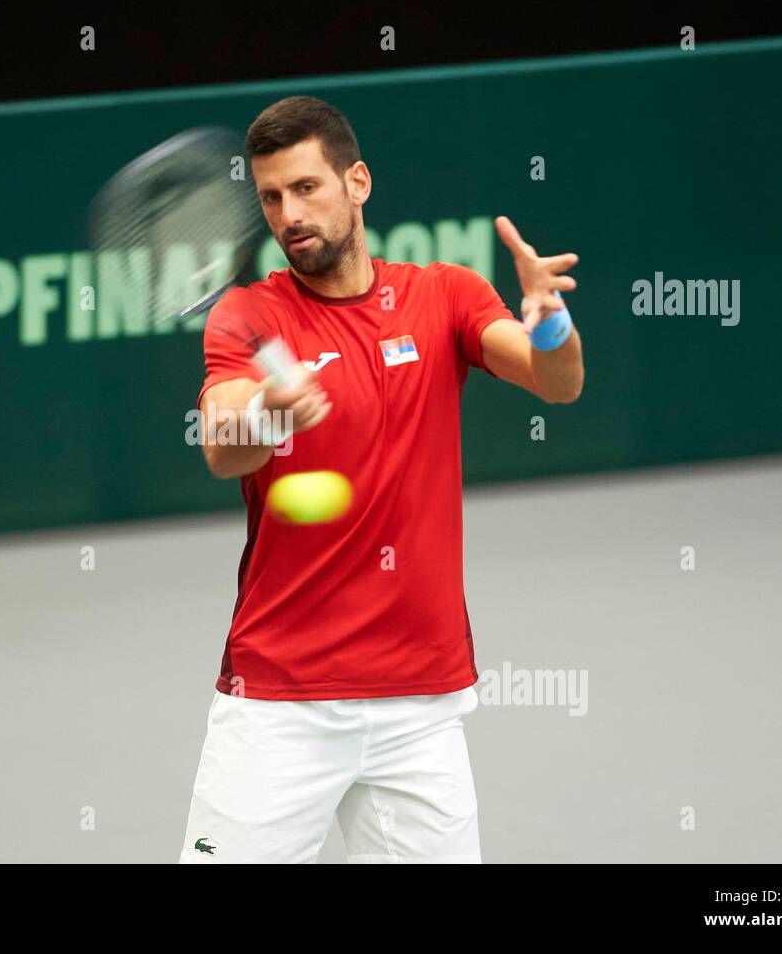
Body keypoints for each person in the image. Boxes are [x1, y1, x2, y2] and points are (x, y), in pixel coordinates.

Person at [181, 95, 584, 863]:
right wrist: (269, 408)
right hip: (279, 701)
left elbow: (553, 381)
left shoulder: (445, 294)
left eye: (306, 188)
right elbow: (223, 443)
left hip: (419, 704)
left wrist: (550, 320)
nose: (288, 213)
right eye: (270, 197)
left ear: (357, 181)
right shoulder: (245, 316)